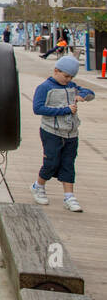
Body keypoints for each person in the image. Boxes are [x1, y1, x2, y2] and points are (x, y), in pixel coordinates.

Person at [32, 55, 95, 212]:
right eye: (66, 76)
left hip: (71, 133)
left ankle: (69, 196)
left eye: (71, 77)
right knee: (51, 162)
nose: (68, 79)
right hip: (51, 132)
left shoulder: (72, 86)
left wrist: (83, 95)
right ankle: (38, 186)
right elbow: (38, 108)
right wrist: (65, 110)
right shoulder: (45, 87)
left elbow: (90, 93)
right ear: (56, 71)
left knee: (68, 163)